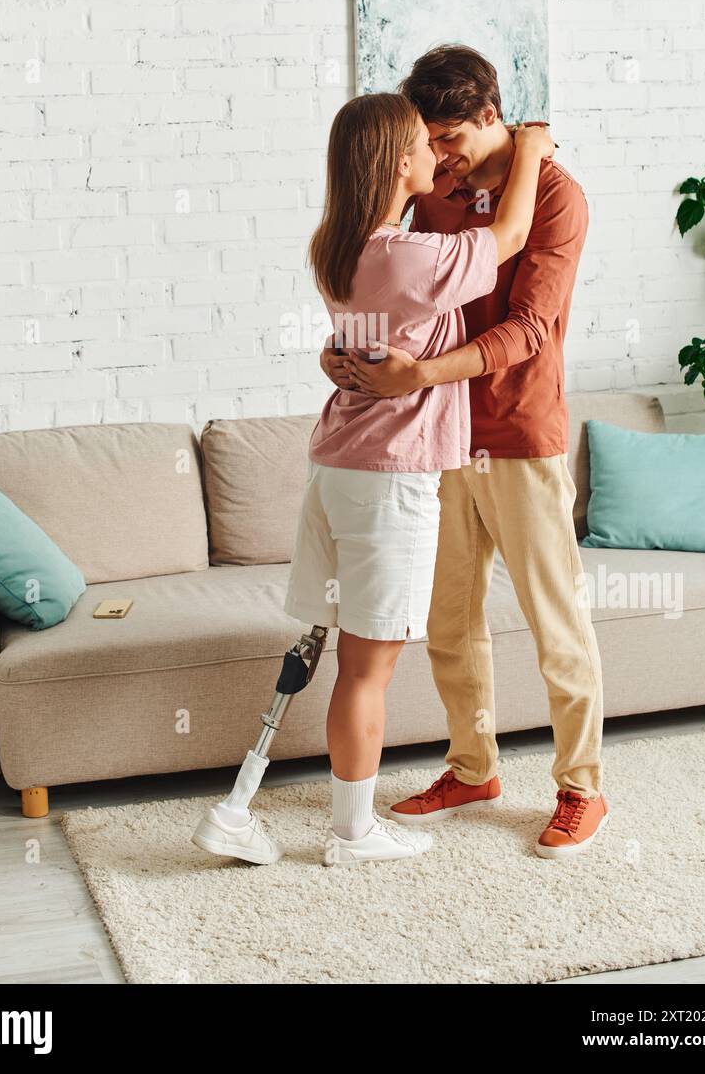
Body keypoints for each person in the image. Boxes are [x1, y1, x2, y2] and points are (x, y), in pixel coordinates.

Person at [201, 90, 552, 868]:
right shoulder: (412, 257)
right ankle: (354, 834)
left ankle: (338, 821)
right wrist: (531, 145)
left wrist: (333, 357)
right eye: (426, 147)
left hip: (337, 470)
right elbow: (514, 233)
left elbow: (353, 343)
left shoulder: (338, 242)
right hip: (392, 478)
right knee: (369, 669)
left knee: (346, 659)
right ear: (400, 161)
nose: (438, 157)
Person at [331, 45, 608, 859]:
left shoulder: (556, 195)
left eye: (450, 137)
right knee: (449, 620)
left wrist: (421, 372)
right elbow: (401, 292)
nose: (441, 156)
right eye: (432, 140)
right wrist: (352, 354)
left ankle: (581, 787)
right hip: (436, 436)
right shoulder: (440, 197)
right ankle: (473, 767)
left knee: (555, 620)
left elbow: (528, 329)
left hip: (521, 432)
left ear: (493, 116)